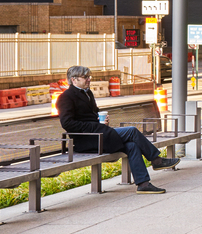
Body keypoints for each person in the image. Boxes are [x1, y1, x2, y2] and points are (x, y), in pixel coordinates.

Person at [55, 65, 180, 194]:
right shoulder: (66, 97)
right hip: (86, 140)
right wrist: (97, 125)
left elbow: (93, 114)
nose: (89, 79)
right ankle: (156, 160)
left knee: (132, 146)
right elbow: (68, 124)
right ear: (74, 79)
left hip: (99, 134)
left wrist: (101, 120)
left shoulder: (88, 93)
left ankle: (143, 184)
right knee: (132, 131)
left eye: (89, 76)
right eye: (85, 77)